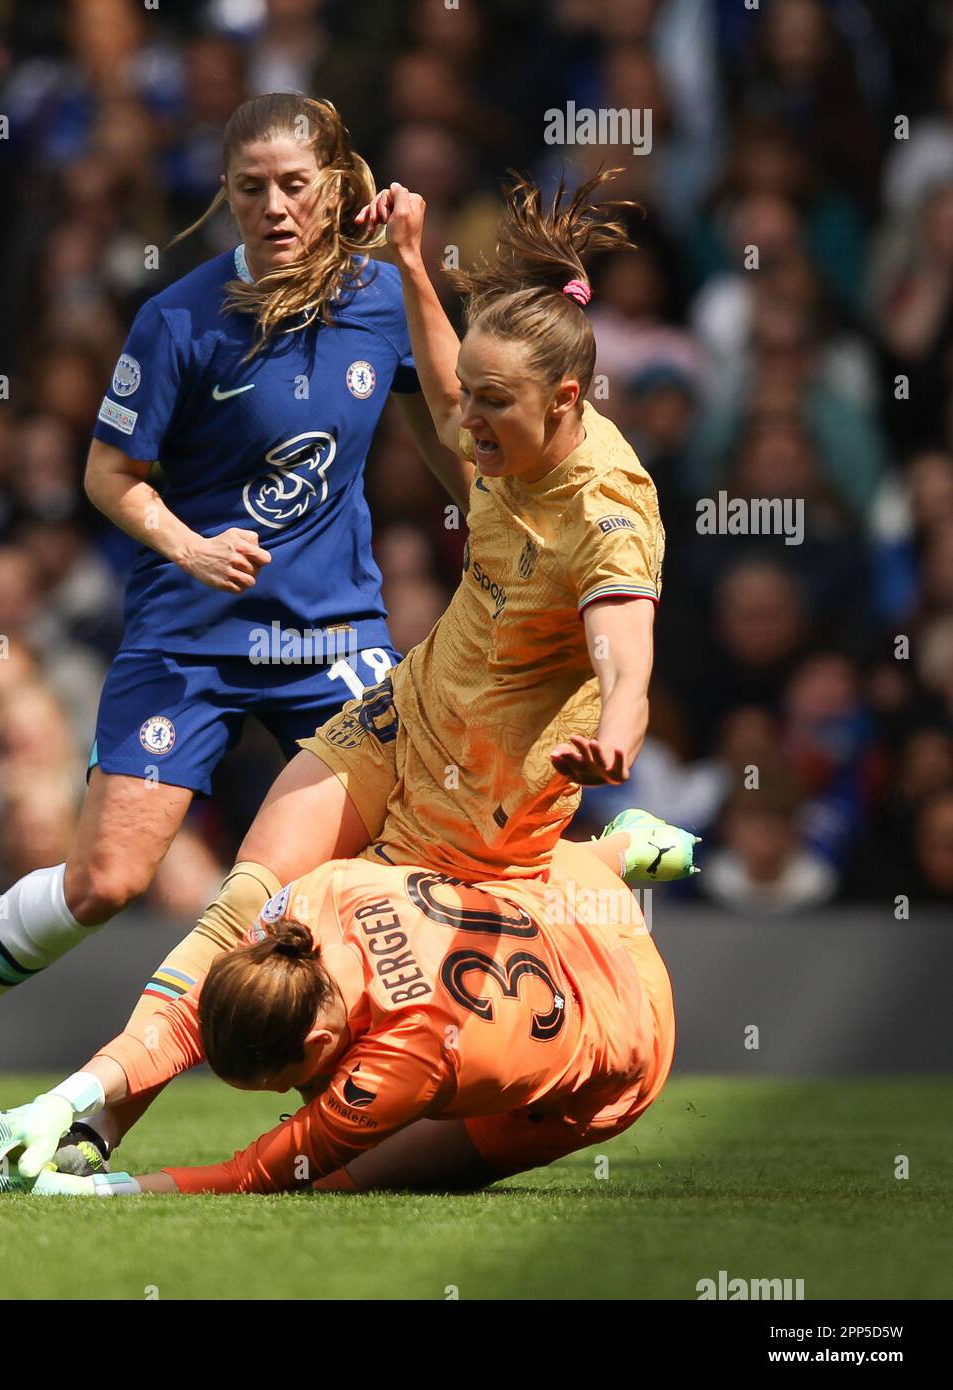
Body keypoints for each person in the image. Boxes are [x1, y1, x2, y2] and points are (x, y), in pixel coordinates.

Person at [51, 167, 674, 1160]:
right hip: (396, 721)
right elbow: (443, 385)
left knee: (344, 1055)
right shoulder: (501, 429)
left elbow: (624, 650)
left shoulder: (606, 515)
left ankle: (599, 860)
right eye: (469, 398)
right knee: (240, 913)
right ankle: (82, 1121)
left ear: (566, 402)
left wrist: (619, 731)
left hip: (480, 815)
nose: (466, 425)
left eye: (493, 405)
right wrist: (412, 267)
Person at [0, 94, 469, 1042]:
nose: (273, 207)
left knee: (409, 849)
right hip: (192, 634)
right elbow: (107, 474)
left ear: (335, 188)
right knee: (105, 880)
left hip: (331, 635)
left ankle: (408, 1070)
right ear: (226, 194)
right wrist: (189, 545)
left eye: (294, 185)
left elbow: (451, 422)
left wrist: (415, 270)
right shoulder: (177, 319)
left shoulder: (381, 299)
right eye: (250, 188)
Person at [0, 836, 674, 1196]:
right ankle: (615, 849)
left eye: (275, 1084)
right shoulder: (314, 898)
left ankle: (616, 852)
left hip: (631, 1032)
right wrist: (62, 1102)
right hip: (572, 889)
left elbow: (258, 1172)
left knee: (332, 1182)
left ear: (323, 1041)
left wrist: (106, 1189)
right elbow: (181, 1021)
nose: (277, 1100)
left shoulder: (400, 1063)